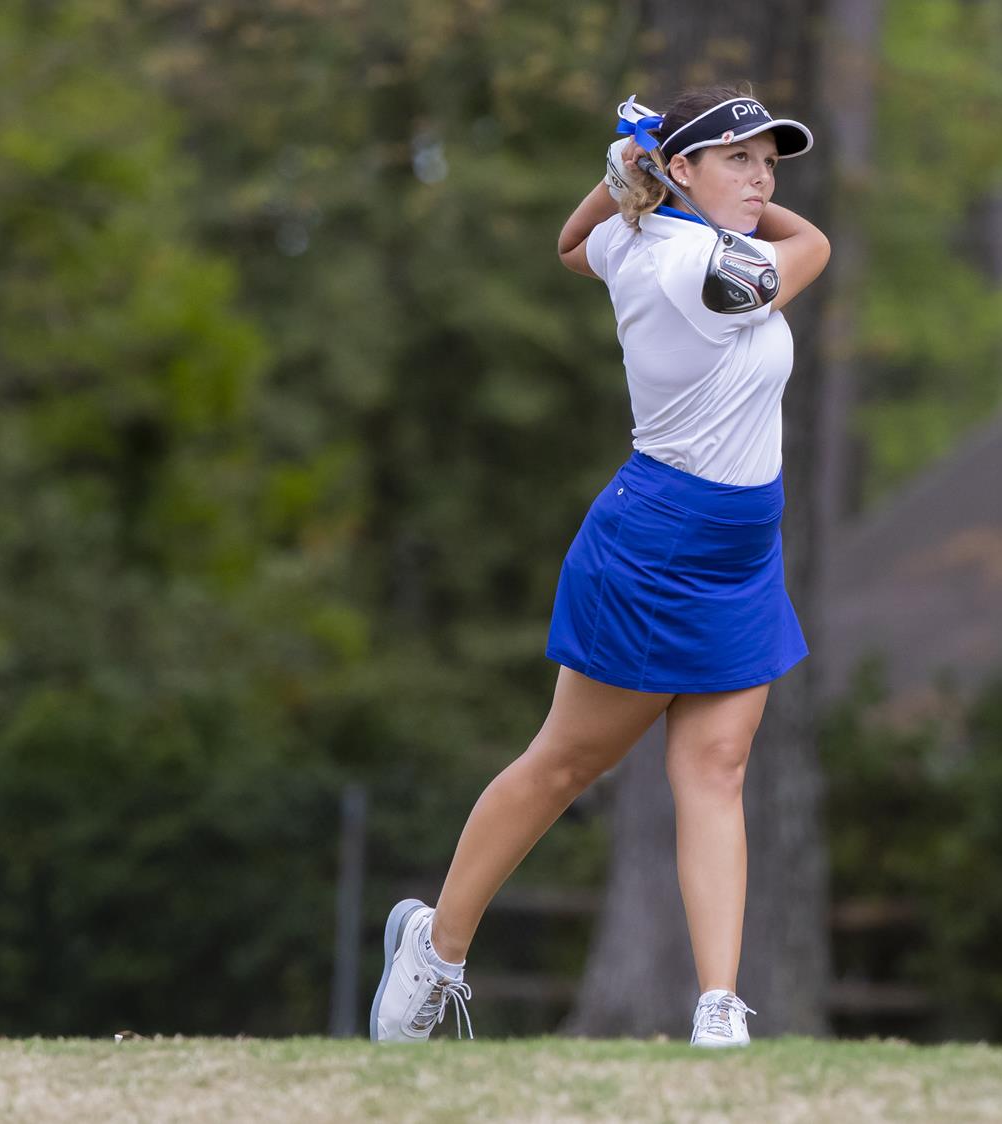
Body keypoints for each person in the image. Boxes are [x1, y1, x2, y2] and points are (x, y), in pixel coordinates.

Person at [371, 85, 830, 1049]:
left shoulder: (643, 236)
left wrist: (626, 185)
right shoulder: (693, 267)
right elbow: (816, 248)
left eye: (770, 163)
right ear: (683, 168)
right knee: (565, 762)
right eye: (739, 159)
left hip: (741, 546)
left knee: (718, 765)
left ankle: (718, 1010)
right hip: (660, 545)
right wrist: (652, 184)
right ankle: (435, 950)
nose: (761, 179)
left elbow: (575, 245)